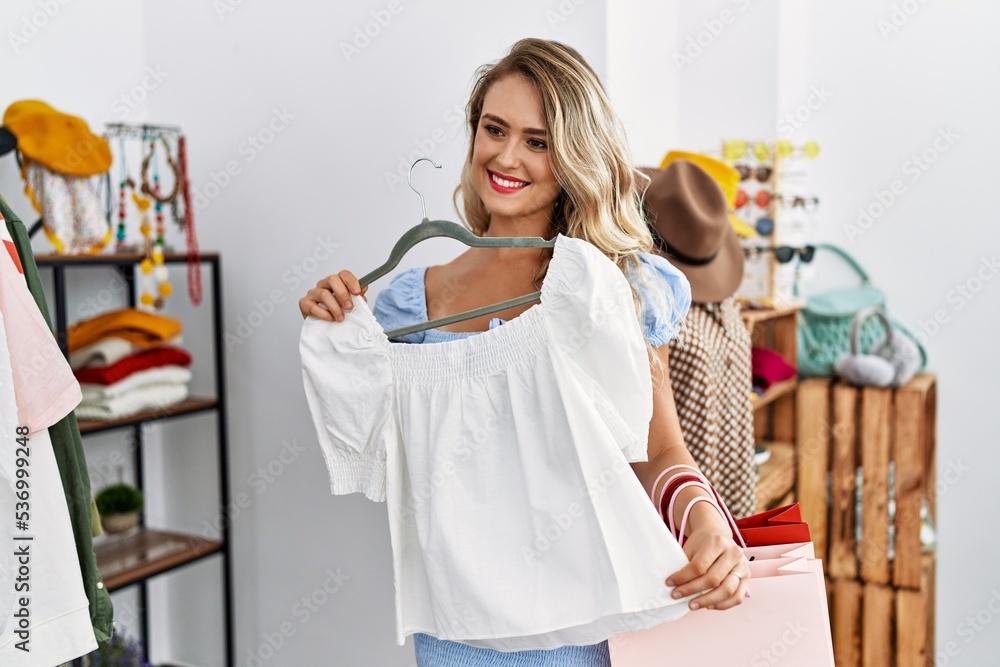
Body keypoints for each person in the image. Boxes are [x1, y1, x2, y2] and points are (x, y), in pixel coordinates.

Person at [298, 38, 749, 667]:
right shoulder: (407, 304)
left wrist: (703, 519)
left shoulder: (614, 288)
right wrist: (338, 330)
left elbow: (660, 448)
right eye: (494, 129)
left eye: (537, 141)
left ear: (572, 156)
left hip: (591, 626)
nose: (506, 156)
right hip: (457, 635)